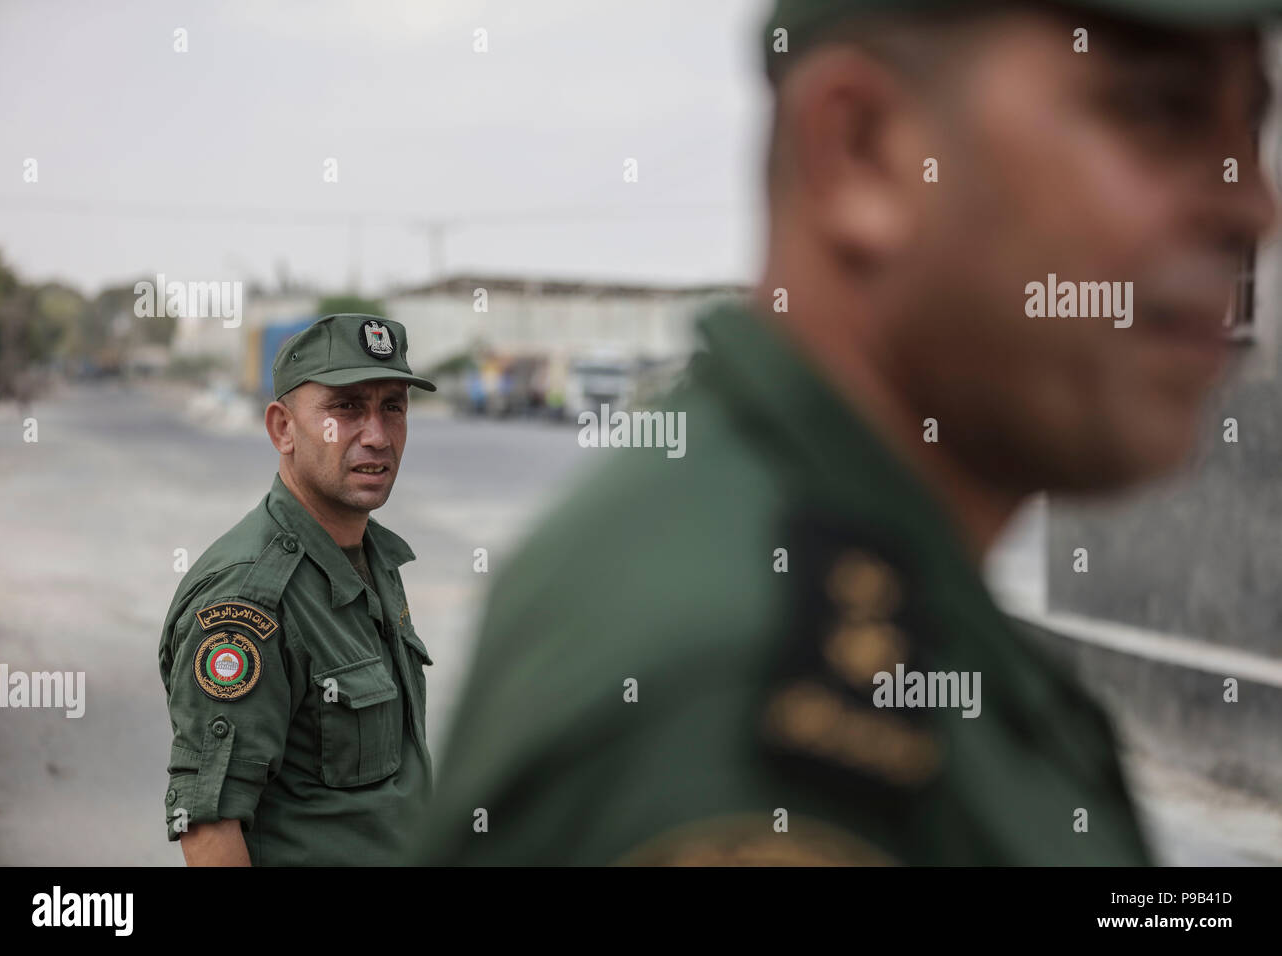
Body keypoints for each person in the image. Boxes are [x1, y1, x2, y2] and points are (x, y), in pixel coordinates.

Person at [411, 0, 1277, 865]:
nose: (1253, 208)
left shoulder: (833, 572)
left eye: (1255, 122)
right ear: (862, 152)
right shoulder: (746, 711)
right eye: (1162, 110)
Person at [158, 313, 437, 865]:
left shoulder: (370, 558)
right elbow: (210, 826)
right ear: (283, 428)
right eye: (346, 408)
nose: (377, 436)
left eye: (393, 407)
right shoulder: (246, 599)